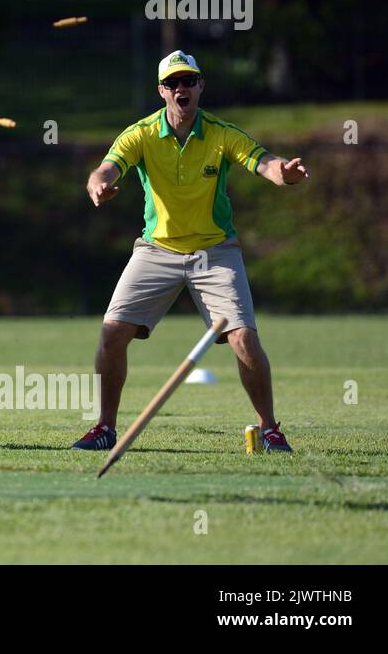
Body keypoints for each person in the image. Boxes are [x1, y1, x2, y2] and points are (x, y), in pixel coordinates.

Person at [74, 51, 307, 454]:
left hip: (215, 250)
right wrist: (98, 185)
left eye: (189, 81)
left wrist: (281, 174)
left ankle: (270, 430)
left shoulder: (221, 132)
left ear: (201, 86)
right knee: (112, 335)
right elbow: (107, 167)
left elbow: (263, 161)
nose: (181, 88)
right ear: (162, 90)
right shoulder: (141, 133)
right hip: (156, 250)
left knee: (244, 339)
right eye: (173, 83)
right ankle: (104, 428)